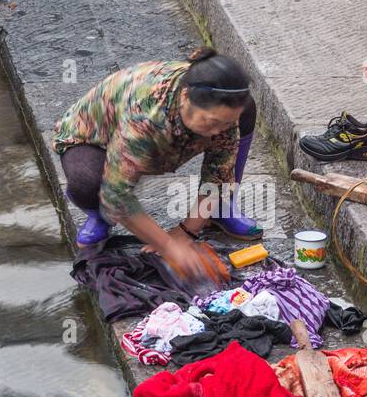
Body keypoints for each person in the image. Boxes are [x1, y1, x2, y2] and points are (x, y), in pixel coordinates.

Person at [52, 48, 262, 285]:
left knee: (247, 109)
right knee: (90, 184)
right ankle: (100, 215)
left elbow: (218, 173)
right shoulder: (146, 115)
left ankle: (219, 210)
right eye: (211, 122)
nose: (217, 132)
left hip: (156, 141)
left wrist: (187, 231)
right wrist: (170, 247)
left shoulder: (221, 109)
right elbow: (117, 194)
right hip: (96, 139)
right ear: (185, 98)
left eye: (224, 123)